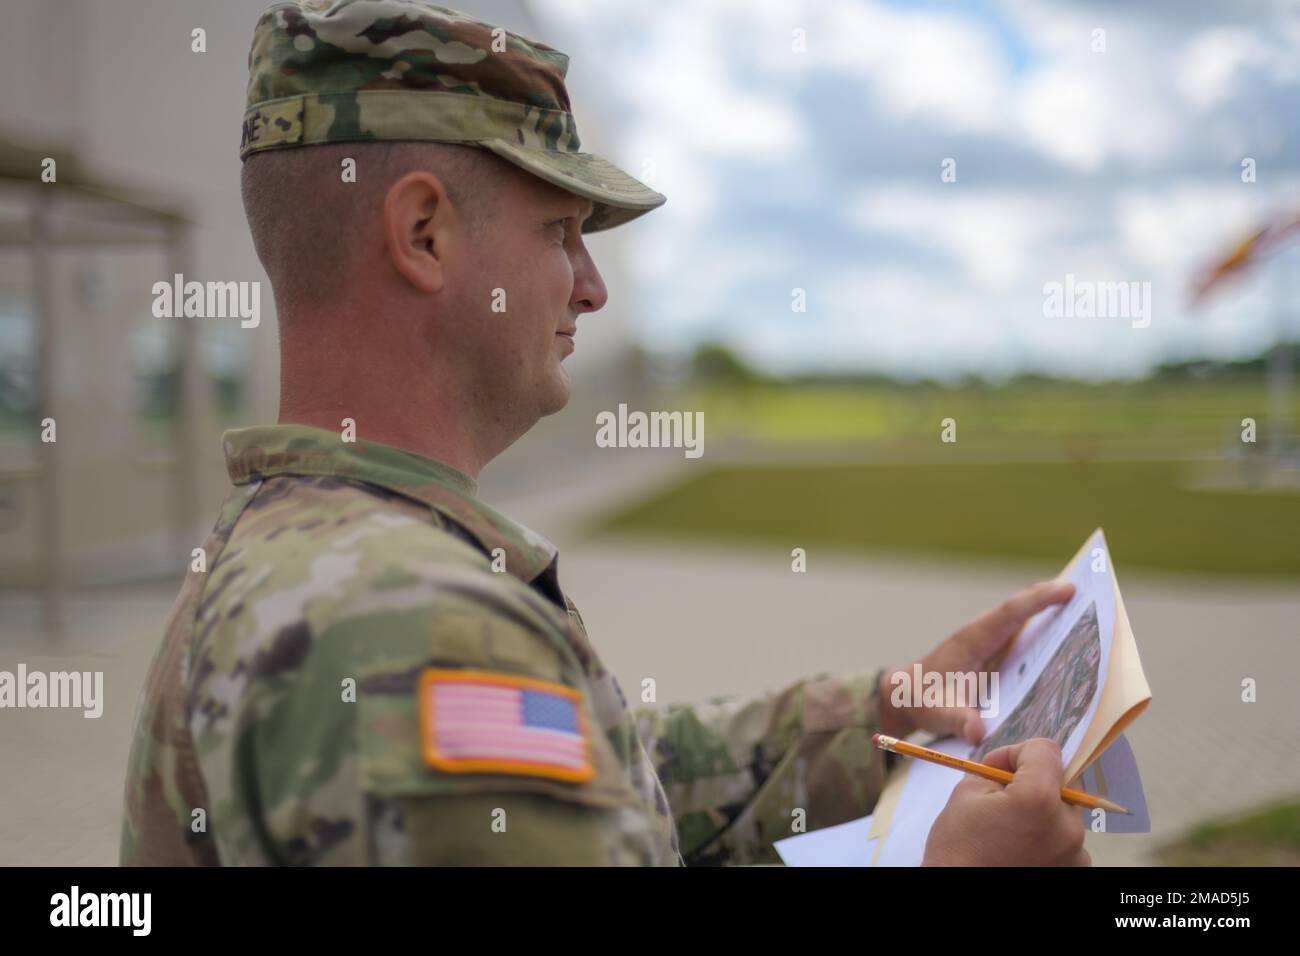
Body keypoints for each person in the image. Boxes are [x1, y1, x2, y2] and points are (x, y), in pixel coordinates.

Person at [120, 0, 1088, 867]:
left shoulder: (302, 543)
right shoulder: (414, 626)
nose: (591, 285)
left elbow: (617, 770)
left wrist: (879, 714)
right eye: (559, 232)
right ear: (423, 234)